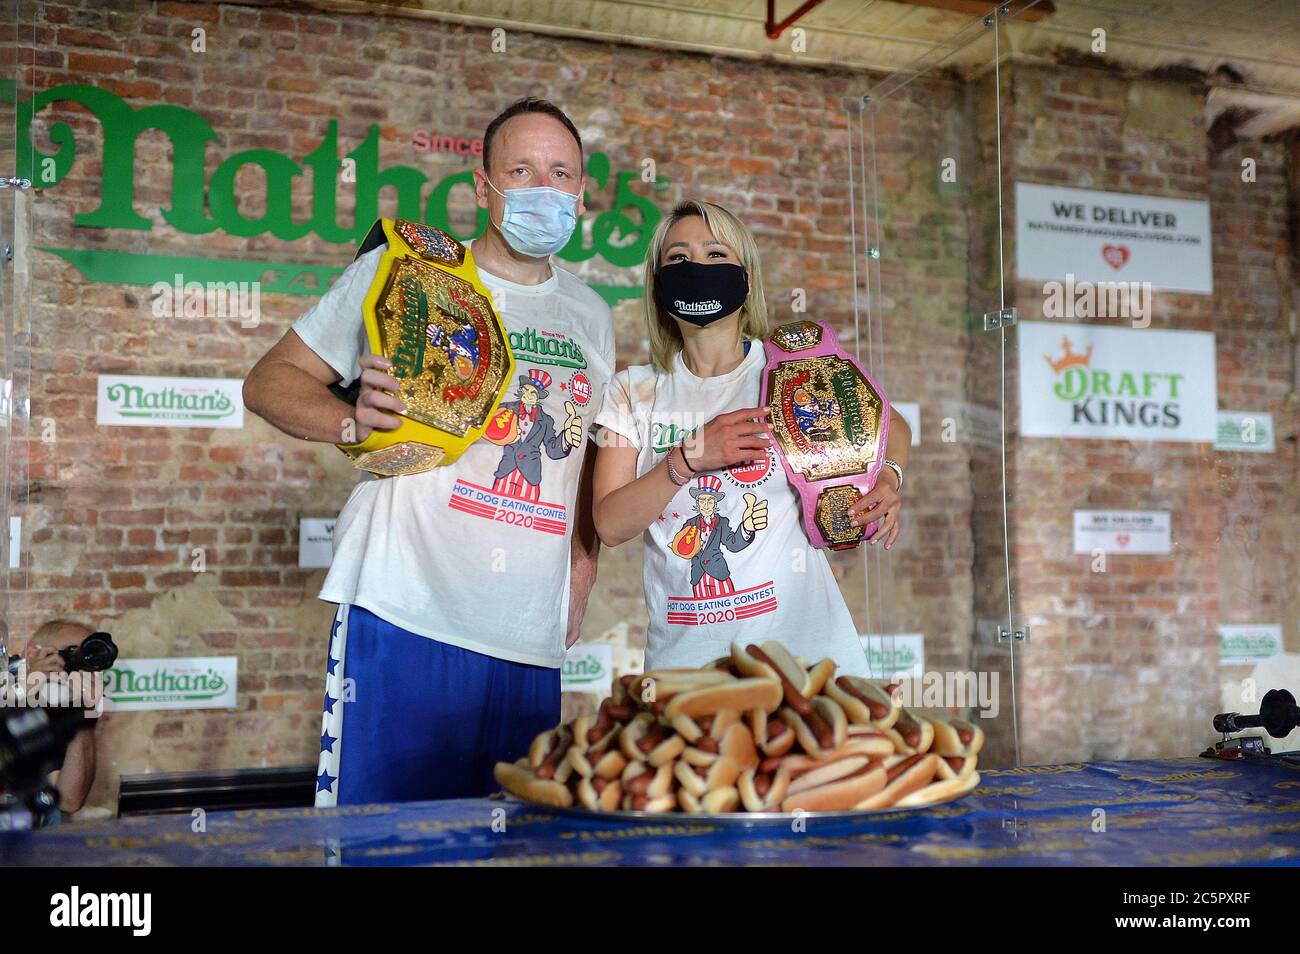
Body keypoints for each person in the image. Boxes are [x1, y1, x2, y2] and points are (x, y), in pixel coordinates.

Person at [243, 98, 614, 805]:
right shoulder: (409, 272)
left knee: (511, 849)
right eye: (522, 169)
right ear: (484, 188)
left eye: (560, 173)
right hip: (404, 606)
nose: (544, 186)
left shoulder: (592, 315)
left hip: (527, 632)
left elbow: (587, 457)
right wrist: (351, 420)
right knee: (380, 843)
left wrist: (584, 566)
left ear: (580, 192)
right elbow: (268, 382)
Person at [592, 199, 910, 674]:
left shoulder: (790, 370)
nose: (697, 267)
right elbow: (610, 524)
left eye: (716, 254)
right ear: (658, 282)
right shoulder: (634, 389)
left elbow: (893, 425)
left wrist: (888, 477)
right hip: (688, 665)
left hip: (806, 658)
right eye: (678, 258)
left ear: (747, 275)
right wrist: (688, 458)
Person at [22, 620, 100, 819]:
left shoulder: (64, 714)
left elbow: (69, 801)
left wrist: (84, 714)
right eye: (71, 652)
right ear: (33, 654)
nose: (75, 664)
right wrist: (24, 694)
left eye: (85, 657)